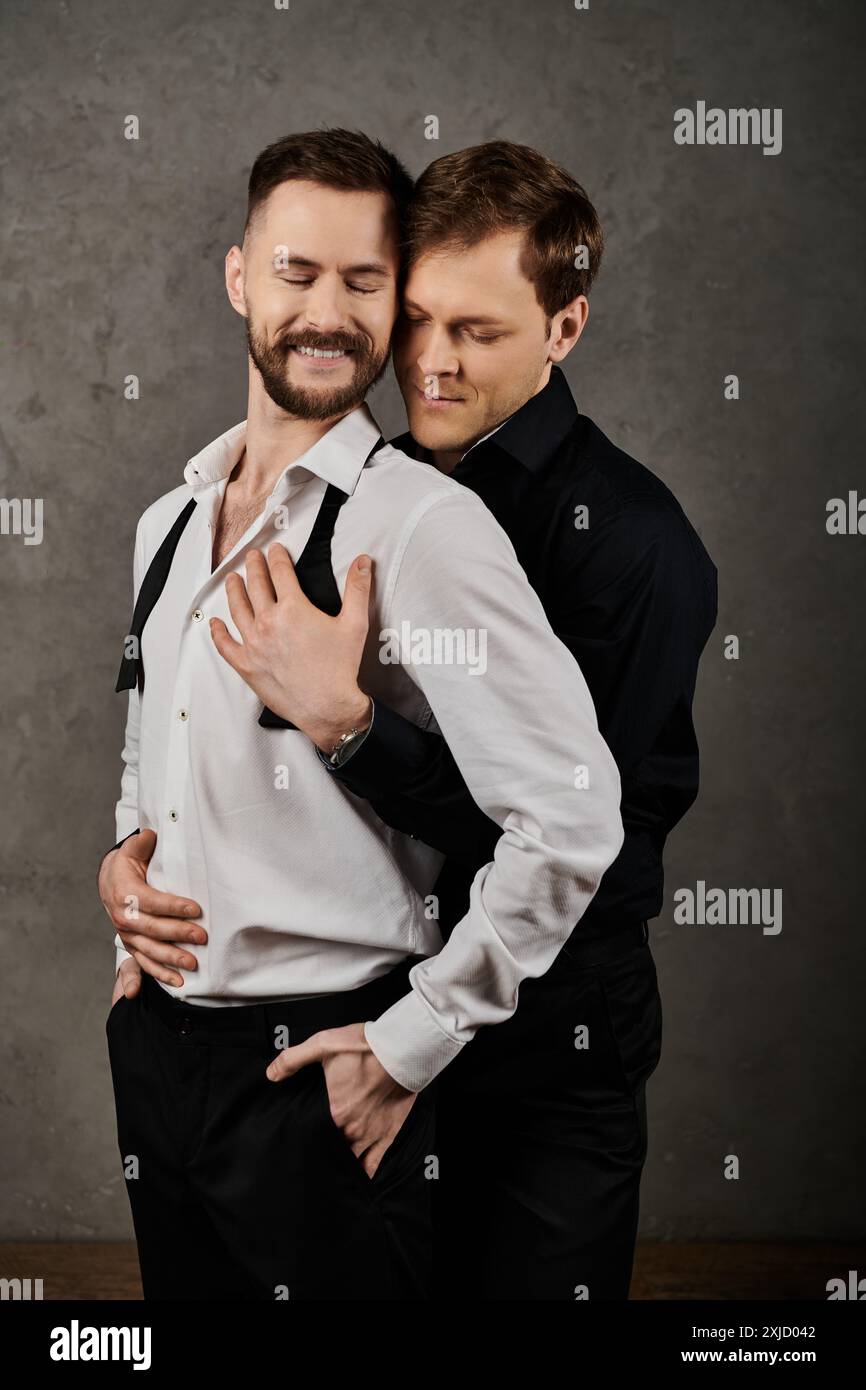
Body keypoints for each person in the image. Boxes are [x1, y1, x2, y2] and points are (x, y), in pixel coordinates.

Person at [181, 140, 719, 1300]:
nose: (424, 362)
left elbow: (586, 845)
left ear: (562, 330)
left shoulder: (640, 548)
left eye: (474, 332)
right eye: (416, 318)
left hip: (548, 1040)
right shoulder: (364, 489)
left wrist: (353, 729)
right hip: (392, 1008)